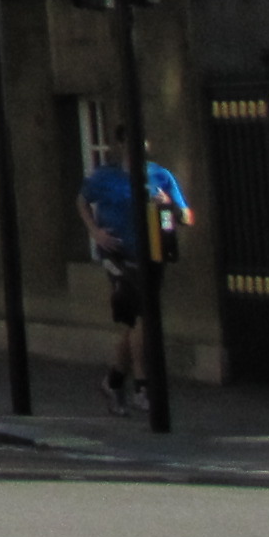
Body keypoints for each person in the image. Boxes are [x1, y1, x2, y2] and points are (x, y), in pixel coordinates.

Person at [75, 139, 194, 417]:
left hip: (152, 255)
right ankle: (143, 387)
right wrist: (95, 232)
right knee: (141, 317)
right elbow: (81, 200)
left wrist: (169, 207)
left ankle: (113, 381)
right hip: (118, 255)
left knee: (135, 324)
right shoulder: (105, 176)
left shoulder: (160, 176)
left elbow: (186, 216)